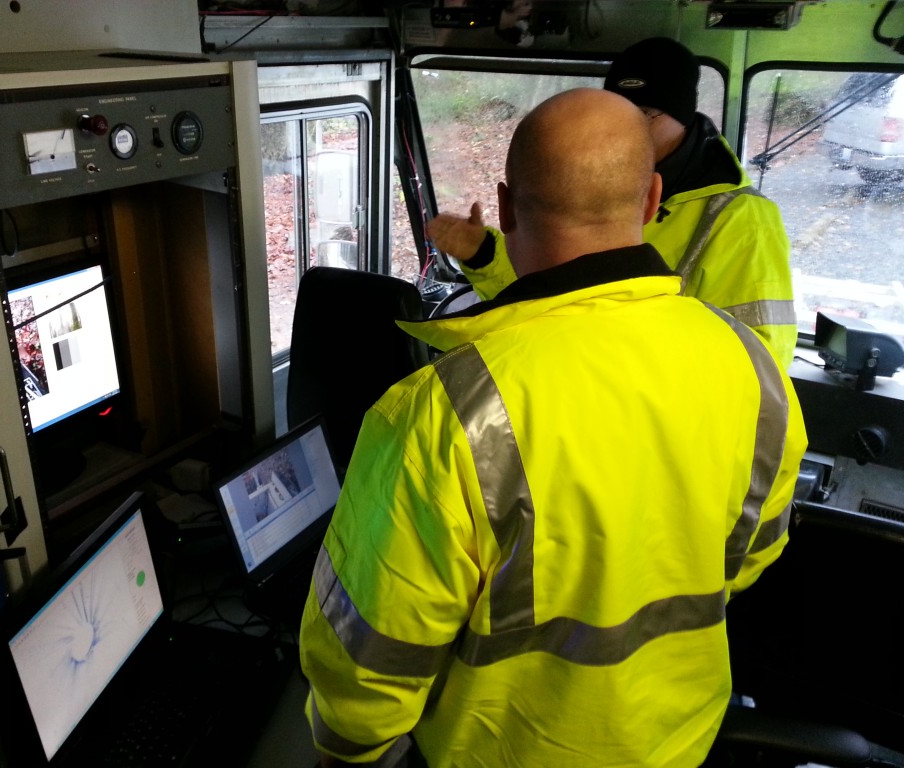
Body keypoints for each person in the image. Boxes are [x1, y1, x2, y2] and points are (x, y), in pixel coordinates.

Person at [299, 88, 807, 767]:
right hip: (677, 743)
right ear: (653, 200)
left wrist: (348, 754)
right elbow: (750, 559)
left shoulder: (445, 410)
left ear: (504, 209)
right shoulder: (752, 368)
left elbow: (368, 654)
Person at [427, 36, 798, 370]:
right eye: (618, 107)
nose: (624, 125)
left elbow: (761, 372)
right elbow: (548, 303)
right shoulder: (592, 179)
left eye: (645, 115)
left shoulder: (741, 218)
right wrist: (484, 255)